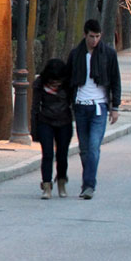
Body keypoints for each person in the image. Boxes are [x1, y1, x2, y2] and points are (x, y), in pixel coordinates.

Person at [67, 19, 122, 199]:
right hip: (81, 107)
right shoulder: (76, 55)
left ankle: (89, 185)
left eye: (98, 36)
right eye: (91, 36)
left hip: (99, 107)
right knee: (83, 149)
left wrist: (115, 107)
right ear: (85, 35)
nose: (94, 40)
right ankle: (88, 180)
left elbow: (115, 81)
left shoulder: (108, 54)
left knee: (93, 147)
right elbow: (68, 82)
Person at [31, 58, 73, 199]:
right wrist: (34, 130)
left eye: (58, 81)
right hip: (45, 121)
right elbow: (35, 108)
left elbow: (73, 103)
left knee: (62, 155)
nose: (55, 84)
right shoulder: (39, 84)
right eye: (52, 81)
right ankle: (46, 185)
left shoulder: (68, 85)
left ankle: (61, 182)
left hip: (64, 122)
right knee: (47, 154)